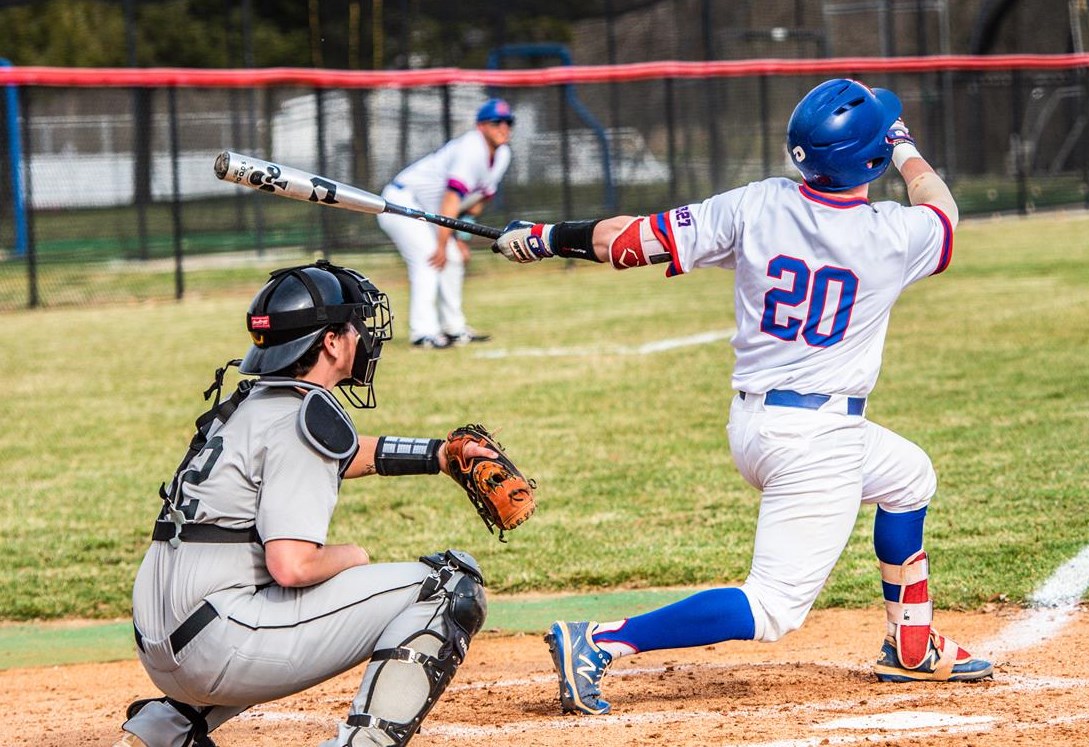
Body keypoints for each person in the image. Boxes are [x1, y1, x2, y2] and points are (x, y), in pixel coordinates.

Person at [491, 78, 993, 715]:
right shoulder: (894, 233)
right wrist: (903, 146)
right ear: (866, 160)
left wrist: (544, 237)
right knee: (774, 606)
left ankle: (913, 647)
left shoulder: (758, 204)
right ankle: (601, 642)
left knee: (909, 477)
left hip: (756, 425)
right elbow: (941, 208)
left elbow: (626, 242)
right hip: (818, 440)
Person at [114, 260, 492, 746]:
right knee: (448, 587)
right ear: (331, 342)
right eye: (355, 327)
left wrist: (438, 455)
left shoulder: (252, 404)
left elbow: (341, 452)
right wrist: (353, 557)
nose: (365, 338)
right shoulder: (302, 418)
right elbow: (292, 566)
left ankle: (162, 731)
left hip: (163, 641)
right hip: (216, 645)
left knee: (255, 595)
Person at [378, 97, 514, 349]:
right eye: (496, 122)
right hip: (401, 202)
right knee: (429, 258)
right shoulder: (471, 149)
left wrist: (457, 240)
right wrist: (442, 243)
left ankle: (454, 328)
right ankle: (423, 333)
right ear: (481, 126)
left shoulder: (502, 154)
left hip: (429, 211)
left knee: (452, 258)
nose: (503, 127)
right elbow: (451, 201)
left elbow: (475, 203)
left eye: (508, 122)